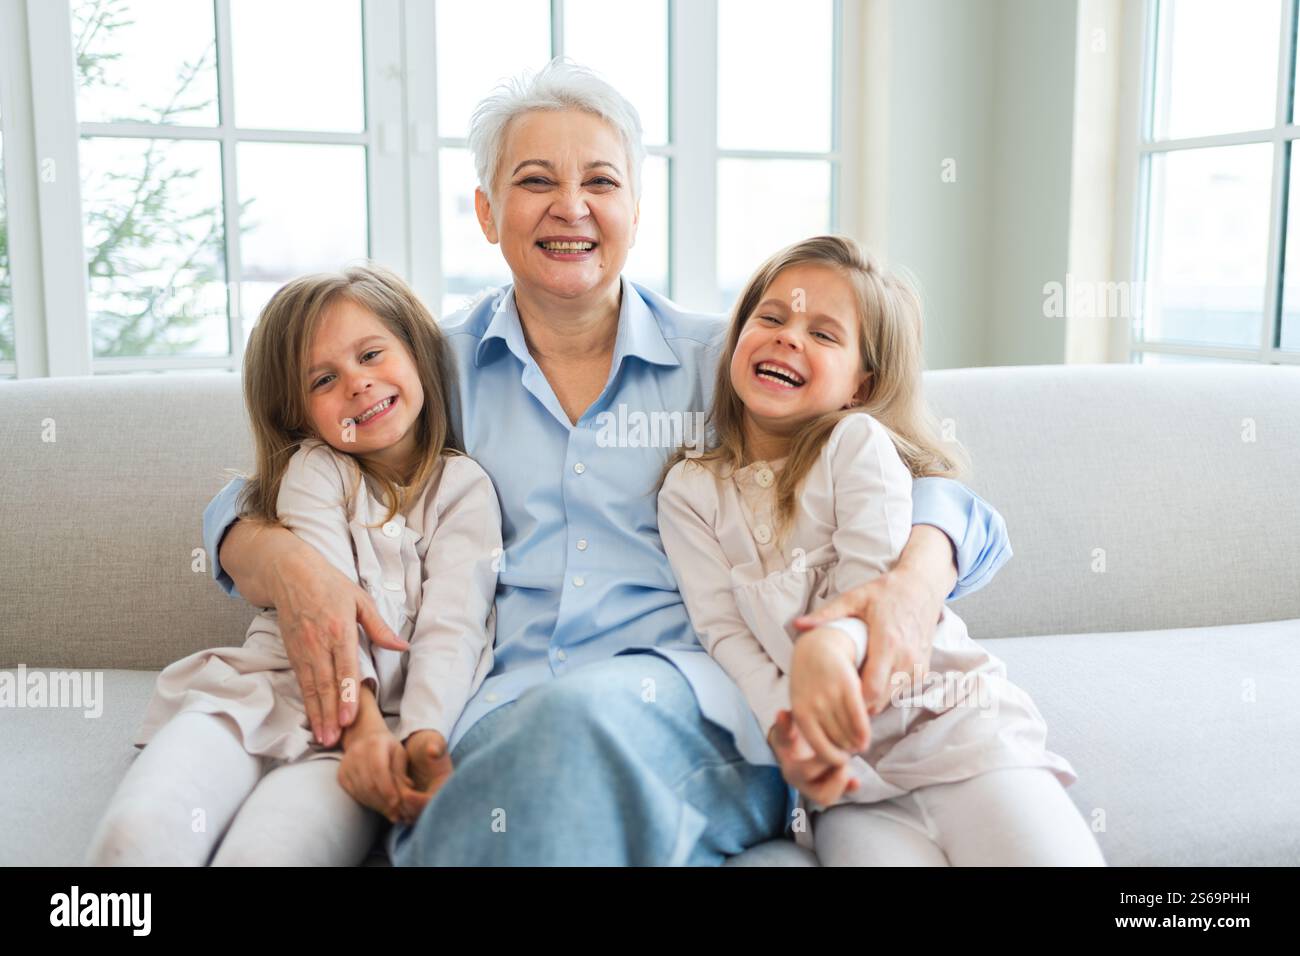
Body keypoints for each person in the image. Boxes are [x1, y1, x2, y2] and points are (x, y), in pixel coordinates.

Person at [201, 59, 1013, 865]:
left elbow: (924, 484)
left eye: (599, 181)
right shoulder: (429, 369)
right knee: (508, 793)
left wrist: (911, 583)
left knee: (563, 751)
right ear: (486, 212)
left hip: (691, 707)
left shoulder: (725, 364)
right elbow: (263, 492)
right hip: (493, 714)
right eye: (534, 182)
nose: (571, 207)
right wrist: (287, 564)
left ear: (633, 209)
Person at [658, 236, 1105, 865]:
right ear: (737, 341)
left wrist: (826, 647)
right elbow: (722, 631)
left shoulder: (856, 445)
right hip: (852, 788)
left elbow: (869, 583)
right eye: (773, 317)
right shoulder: (689, 491)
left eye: (824, 333)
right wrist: (787, 729)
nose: (790, 337)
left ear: (859, 388)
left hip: (957, 734)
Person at [87, 264, 501, 865]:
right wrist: (358, 731)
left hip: (367, 737)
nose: (358, 384)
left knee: (269, 854)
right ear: (297, 414)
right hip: (261, 695)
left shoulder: (465, 488)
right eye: (324, 379)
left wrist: (422, 739)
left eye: (371, 354)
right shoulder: (316, 470)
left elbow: (455, 624)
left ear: (416, 353)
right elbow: (327, 603)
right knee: (137, 838)